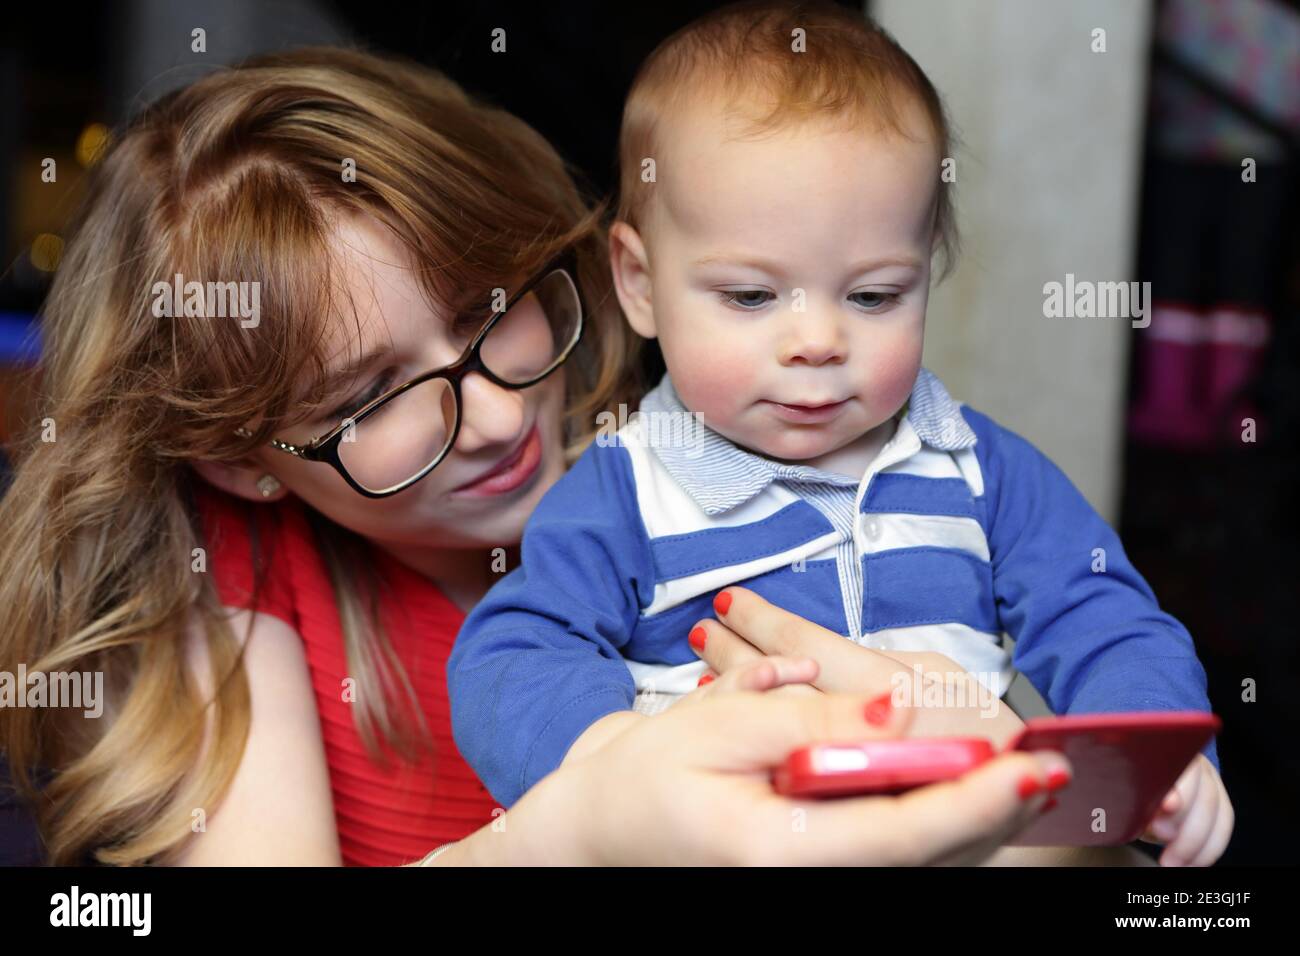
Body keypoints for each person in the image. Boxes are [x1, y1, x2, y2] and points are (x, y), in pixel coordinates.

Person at [0, 45, 1067, 867]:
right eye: (372, 393)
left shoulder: (703, 472)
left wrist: (984, 764)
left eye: (492, 307)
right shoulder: (236, 578)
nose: (501, 417)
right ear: (245, 460)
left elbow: (1082, 839)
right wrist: (575, 827)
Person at [448, 1, 1233, 866]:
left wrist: (1155, 757)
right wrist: (610, 766)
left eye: (872, 296)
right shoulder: (625, 491)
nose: (817, 342)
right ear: (638, 282)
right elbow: (513, 654)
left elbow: (1103, 615)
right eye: (750, 297)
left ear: (927, 267)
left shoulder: (978, 471)